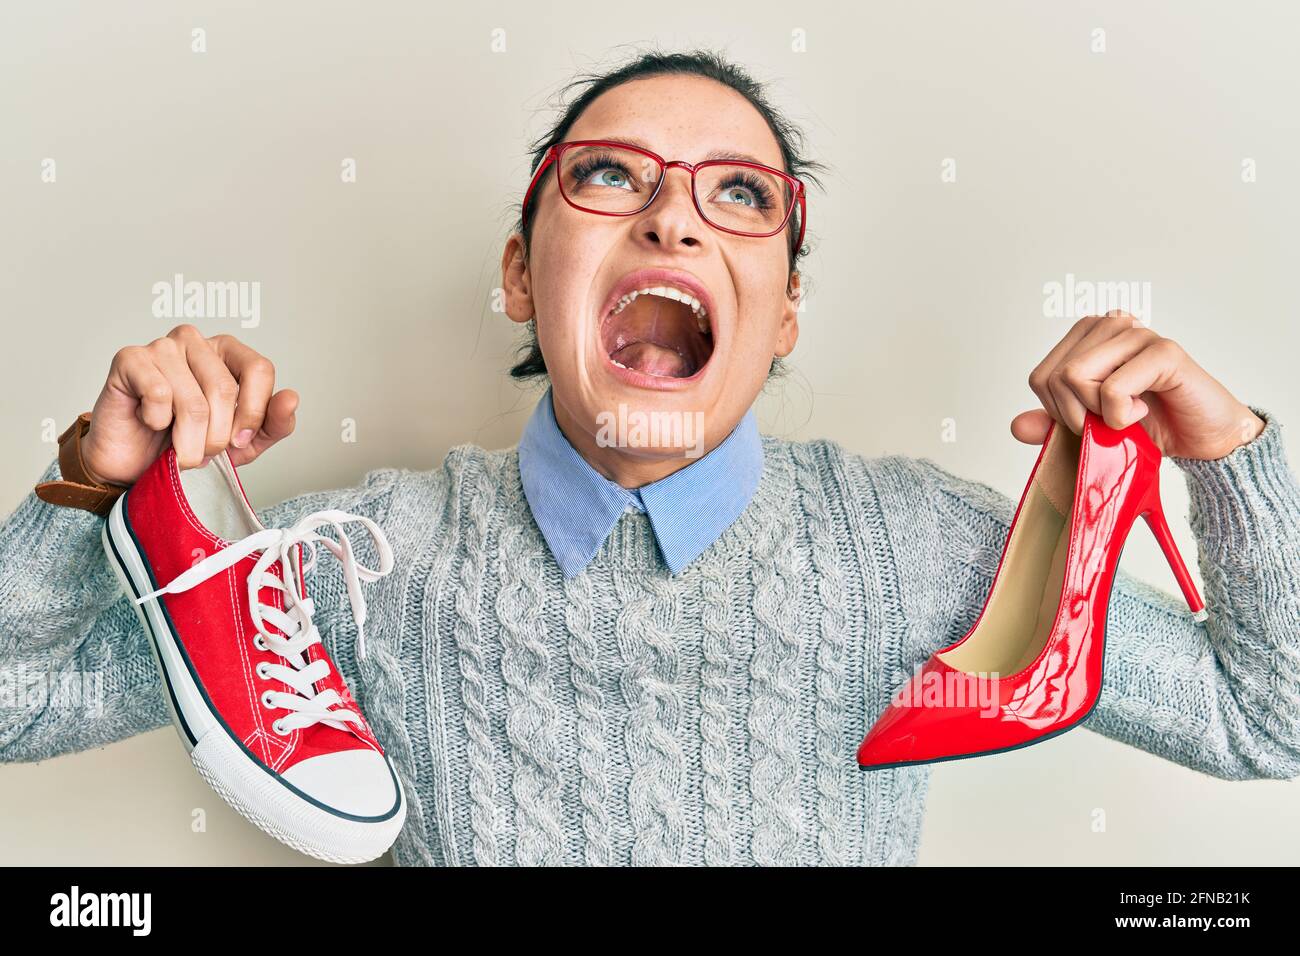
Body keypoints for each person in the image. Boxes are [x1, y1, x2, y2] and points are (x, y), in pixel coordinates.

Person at [4, 50, 1299, 867]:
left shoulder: (911, 545)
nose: (675, 211)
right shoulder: (365, 562)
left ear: (783, 314)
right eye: (610, 177)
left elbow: (1269, 718)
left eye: (741, 195)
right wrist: (85, 484)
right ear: (520, 274)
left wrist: (1225, 455)